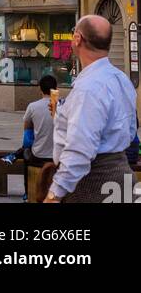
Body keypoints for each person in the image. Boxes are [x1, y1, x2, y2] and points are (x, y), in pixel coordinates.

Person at [43, 15, 138, 204]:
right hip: (122, 174)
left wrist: (54, 195)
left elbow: (80, 149)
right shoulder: (121, 78)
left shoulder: (89, 88)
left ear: (77, 39)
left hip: (93, 185)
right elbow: (130, 129)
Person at [21, 74, 56, 198]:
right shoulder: (64, 105)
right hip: (59, 156)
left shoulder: (33, 106)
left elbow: (27, 132)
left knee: (24, 153)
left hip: (39, 155)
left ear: (40, 89)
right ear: (56, 89)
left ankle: (27, 192)